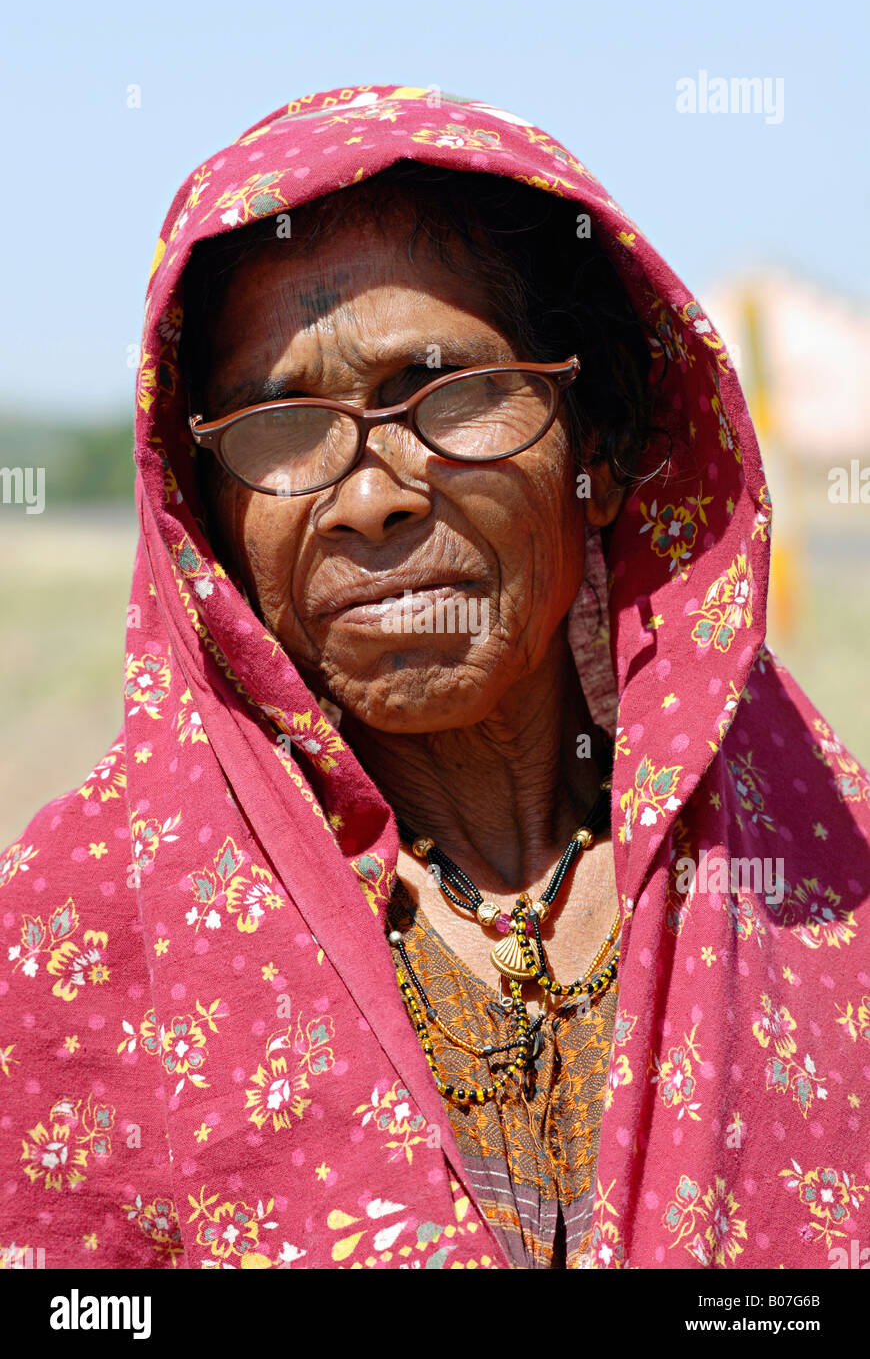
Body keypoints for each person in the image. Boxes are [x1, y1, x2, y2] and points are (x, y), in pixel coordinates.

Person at [1, 83, 868, 1271]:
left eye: (448, 392)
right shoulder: (79, 931)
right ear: (206, 525)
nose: (372, 495)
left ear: (600, 451)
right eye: (282, 425)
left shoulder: (816, 865)